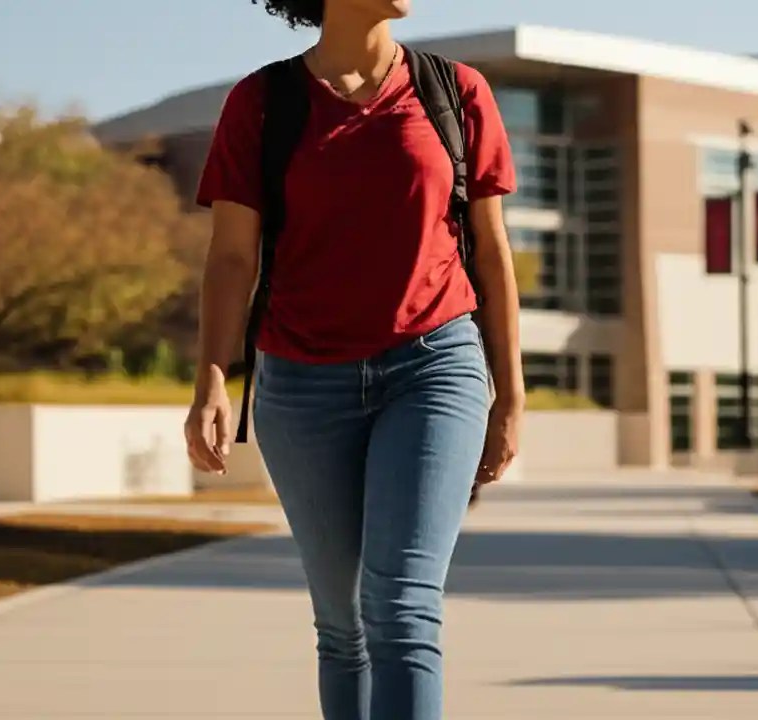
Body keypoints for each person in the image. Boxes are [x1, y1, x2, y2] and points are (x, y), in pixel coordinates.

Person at [182, 0, 524, 717]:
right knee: (343, 627)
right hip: (301, 383)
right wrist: (212, 378)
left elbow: (490, 255)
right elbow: (231, 257)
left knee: (401, 607)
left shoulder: (455, 93)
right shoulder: (264, 101)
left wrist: (511, 395)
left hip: (435, 365)